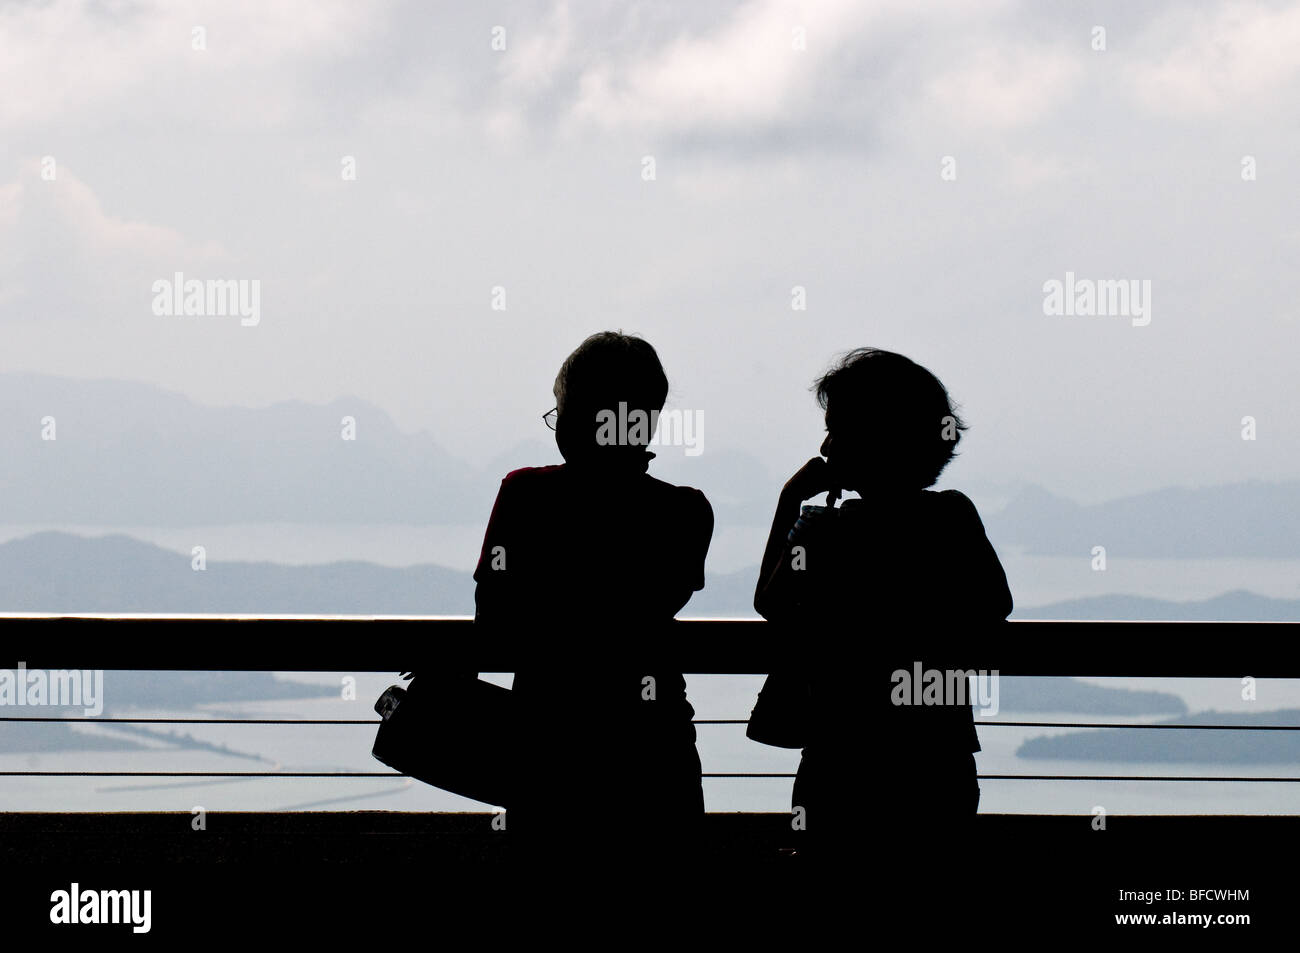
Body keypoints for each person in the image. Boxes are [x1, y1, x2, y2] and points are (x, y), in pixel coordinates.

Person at [753, 348, 1012, 874]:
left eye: (837, 431)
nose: (825, 446)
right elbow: (995, 603)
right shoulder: (953, 517)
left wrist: (789, 501)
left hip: (840, 760)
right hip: (937, 757)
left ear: (875, 437)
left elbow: (769, 603)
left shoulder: (825, 530)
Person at [473, 331, 713, 868]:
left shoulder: (524, 495)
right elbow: (653, 606)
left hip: (550, 745)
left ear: (577, 417)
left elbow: (494, 615)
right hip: (655, 747)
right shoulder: (686, 512)